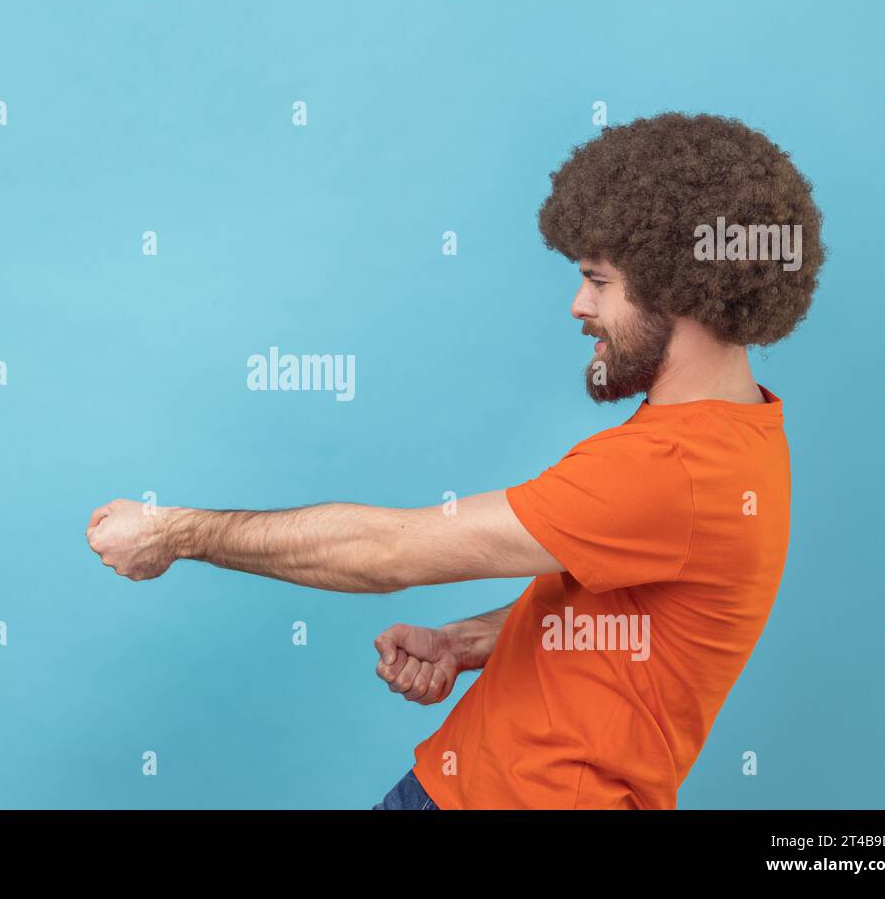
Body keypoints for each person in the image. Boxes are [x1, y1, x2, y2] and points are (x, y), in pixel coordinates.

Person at [86, 112, 825, 809]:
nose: (578, 305)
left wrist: (172, 532)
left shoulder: (670, 468)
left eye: (598, 280)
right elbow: (623, 601)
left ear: (682, 288)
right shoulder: (741, 428)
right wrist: (465, 641)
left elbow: (387, 553)